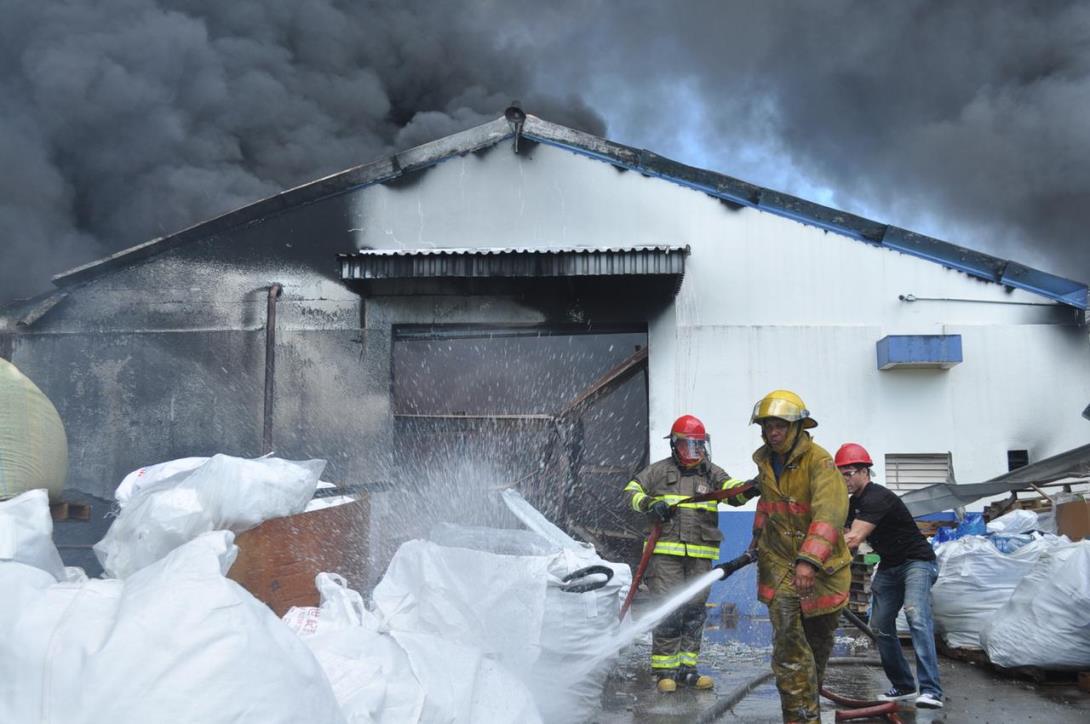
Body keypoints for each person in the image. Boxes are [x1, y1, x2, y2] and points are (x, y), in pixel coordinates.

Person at [623, 413, 759, 693]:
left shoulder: (712, 473)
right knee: (669, 609)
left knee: (694, 611)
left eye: (699, 445)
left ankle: (688, 669)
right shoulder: (658, 472)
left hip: (699, 556)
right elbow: (630, 492)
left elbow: (733, 493)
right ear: (675, 445)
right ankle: (664, 671)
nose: (694, 452)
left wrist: (753, 486)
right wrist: (649, 503)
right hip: (666, 556)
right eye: (688, 445)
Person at [749, 390, 851, 723]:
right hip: (780, 566)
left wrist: (808, 559)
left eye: (780, 426)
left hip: (823, 571)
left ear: (797, 427)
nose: (772, 432)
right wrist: (756, 541)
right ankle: (800, 719)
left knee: (816, 649)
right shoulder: (765, 462)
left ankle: (808, 709)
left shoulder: (820, 462)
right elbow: (767, 506)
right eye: (767, 426)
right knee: (790, 650)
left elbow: (829, 515)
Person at [836, 442, 943, 710]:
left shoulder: (877, 497)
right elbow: (841, 532)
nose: (844, 479)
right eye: (841, 474)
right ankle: (904, 686)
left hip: (917, 562)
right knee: (881, 626)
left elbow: (853, 538)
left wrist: (813, 554)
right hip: (890, 565)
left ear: (865, 471)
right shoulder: (854, 503)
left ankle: (931, 690)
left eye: (848, 473)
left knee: (916, 616)